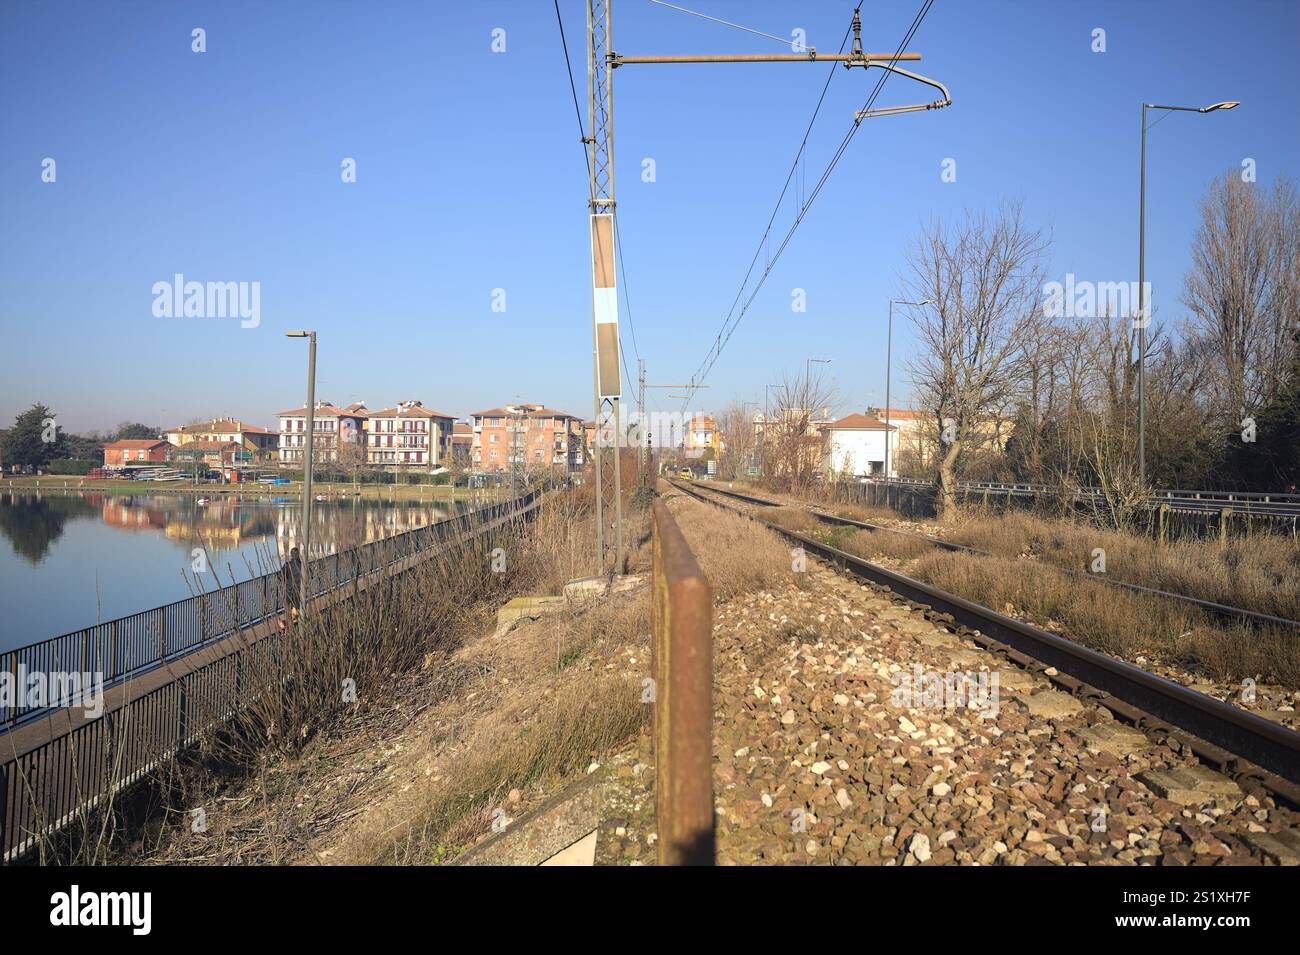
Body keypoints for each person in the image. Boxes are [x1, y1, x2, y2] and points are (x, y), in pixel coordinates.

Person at [279, 546, 303, 629]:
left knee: (289, 609)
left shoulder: (287, 565)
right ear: (298, 555)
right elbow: (310, 576)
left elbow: (281, 576)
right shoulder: (303, 565)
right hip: (299, 591)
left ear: (291, 555)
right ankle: (293, 626)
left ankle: (286, 626)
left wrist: (286, 582)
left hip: (289, 590)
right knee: (296, 609)